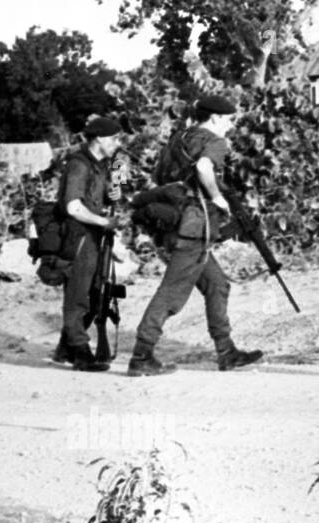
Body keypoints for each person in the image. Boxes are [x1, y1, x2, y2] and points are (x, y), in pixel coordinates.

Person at [129, 95, 264, 378]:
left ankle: (226, 352)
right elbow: (204, 167)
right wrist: (217, 197)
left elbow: (160, 177)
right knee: (171, 294)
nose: (230, 126)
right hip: (193, 230)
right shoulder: (215, 141)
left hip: (176, 226)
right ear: (215, 118)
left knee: (217, 285)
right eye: (228, 120)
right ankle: (141, 355)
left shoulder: (179, 138)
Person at [51, 116, 127, 372]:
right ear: (101, 139)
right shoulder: (79, 165)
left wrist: (110, 192)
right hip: (79, 236)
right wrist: (103, 221)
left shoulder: (100, 165)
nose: (117, 143)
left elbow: (95, 195)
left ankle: (66, 347)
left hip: (93, 234)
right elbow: (73, 206)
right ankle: (80, 353)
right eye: (115, 138)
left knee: (95, 292)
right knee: (78, 296)